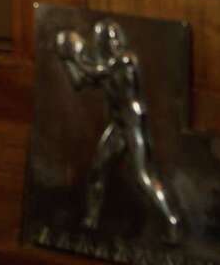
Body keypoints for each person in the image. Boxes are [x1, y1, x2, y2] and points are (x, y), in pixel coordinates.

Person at [56, 20, 183, 244]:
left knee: (144, 177)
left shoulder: (125, 60)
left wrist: (75, 56)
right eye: (108, 39)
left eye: (115, 38)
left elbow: (96, 72)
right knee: (97, 170)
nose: (113, 43)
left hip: (133, 123)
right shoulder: (103, 63)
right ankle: (91, 220)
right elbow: (79, 83)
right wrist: (65, 59)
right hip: (118, 124)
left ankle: (172, 222)